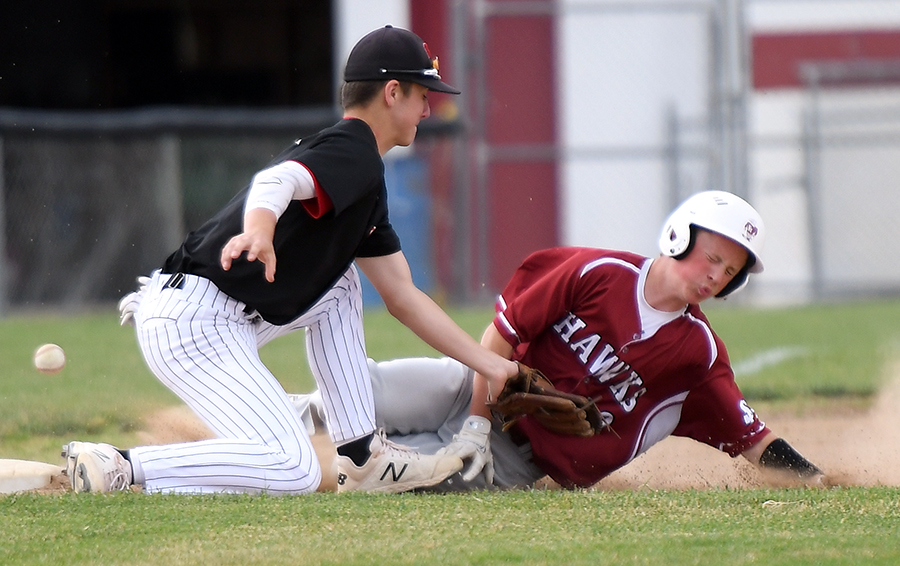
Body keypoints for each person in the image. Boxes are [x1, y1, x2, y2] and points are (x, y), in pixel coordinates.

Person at [62, 25, 519, 495]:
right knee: (293, 468)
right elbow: (277, 181)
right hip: (196, 322)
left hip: (214, 316)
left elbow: (403, 297)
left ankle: (363, 457)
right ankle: (120, 465)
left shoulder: (365, 179)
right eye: (423, 94)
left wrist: (489, 365)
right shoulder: (353, 149)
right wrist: (259, 228)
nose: (428, 109)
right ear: (392, 91)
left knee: (342, 286)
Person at [290, 190, 826, 490]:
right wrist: (475, 422)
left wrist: (821, 481)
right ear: (678, 235)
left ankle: (279, 470)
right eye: (713, 256)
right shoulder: (600, 274)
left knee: (376, 476)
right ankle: (291, 415)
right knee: (364, 387)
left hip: (513, 460)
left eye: (729, 271)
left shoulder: (698, 356)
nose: (716, 276)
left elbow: (754, 438)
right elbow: (501, 336)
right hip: (471, 388)